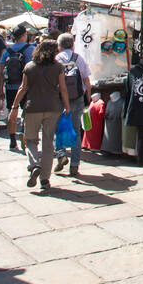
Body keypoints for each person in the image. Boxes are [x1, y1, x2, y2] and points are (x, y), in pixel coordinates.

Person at [7, 38, 70, 191]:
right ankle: (45, 179)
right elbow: (62, 88)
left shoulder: (30, 66)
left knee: (30, 140)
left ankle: (34, 164)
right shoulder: (59, 67)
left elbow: (23, 88)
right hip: (53, 107)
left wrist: (14, 107)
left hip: (32, 107)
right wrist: (67, 106)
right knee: (48, 143)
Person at [55, 32, 92, 178]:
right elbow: (86, 80)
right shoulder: (79, 58)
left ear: (59, 46)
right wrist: (88, 97)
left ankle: (61, 153)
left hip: (59, 99)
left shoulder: (56, 59)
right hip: (77, 98)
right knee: (76, 130)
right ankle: (74, 165)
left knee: (58, 128)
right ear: (72, 44)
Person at [1, 25, 35, 151]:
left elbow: (0, 71)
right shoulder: (31, 49)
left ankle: (12, 140)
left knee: (12, 111)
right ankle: (23, 132)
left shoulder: (7, 51)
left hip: (10, 86)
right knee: (27, 111)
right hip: (26, 86)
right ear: (24, 35)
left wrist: (0, 89)